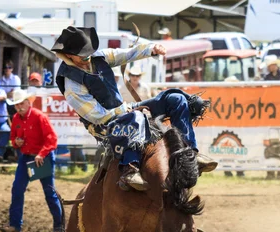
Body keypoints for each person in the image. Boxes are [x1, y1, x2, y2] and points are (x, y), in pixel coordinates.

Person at [51, 26, 216, 191]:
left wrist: (152, 49)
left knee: (176, 99)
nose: (88, 57)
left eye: (89, 52)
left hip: (127, 109)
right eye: (83, 55)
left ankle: (189, 153)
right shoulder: (71, 84)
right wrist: (129, 111)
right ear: (69, 55)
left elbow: (126, 54)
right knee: (136, 118)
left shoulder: (99, 57)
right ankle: (130, 168)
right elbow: (96, 115)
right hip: (103, 125)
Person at [1, 89, 63, 232]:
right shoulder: (16, 118)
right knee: (17, 189)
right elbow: (13, 138)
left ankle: (59, 226)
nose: (19, 107)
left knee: (49, 193)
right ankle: (15, 226)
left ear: (28, 102)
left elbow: (52, 139)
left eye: (21, 103)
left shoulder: (39, 117)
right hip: (27, 156)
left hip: (42, 158)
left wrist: (41, 154)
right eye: (17, 105)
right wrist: (16, 142)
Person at [262, 55, 280, 180]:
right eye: (270, 65)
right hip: (271, 112)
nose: (271, 67)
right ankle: (271, 170)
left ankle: (278, 171)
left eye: (272, 64)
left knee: (279, 140)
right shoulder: (267, 77)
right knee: (271, 141)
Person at [0, 60, 23, 160]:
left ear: (12, 69)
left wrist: (5, 95)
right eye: (6, 67)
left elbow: (14, 93)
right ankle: (5, 154)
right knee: (8, 131)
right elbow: (3, 94)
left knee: (17, 129)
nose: (7, 69)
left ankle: (17, 154)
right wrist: (6, 94)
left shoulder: (16, 78)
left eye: (9, 67)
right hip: (5, 106)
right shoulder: (1, 79)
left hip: (14, 105)